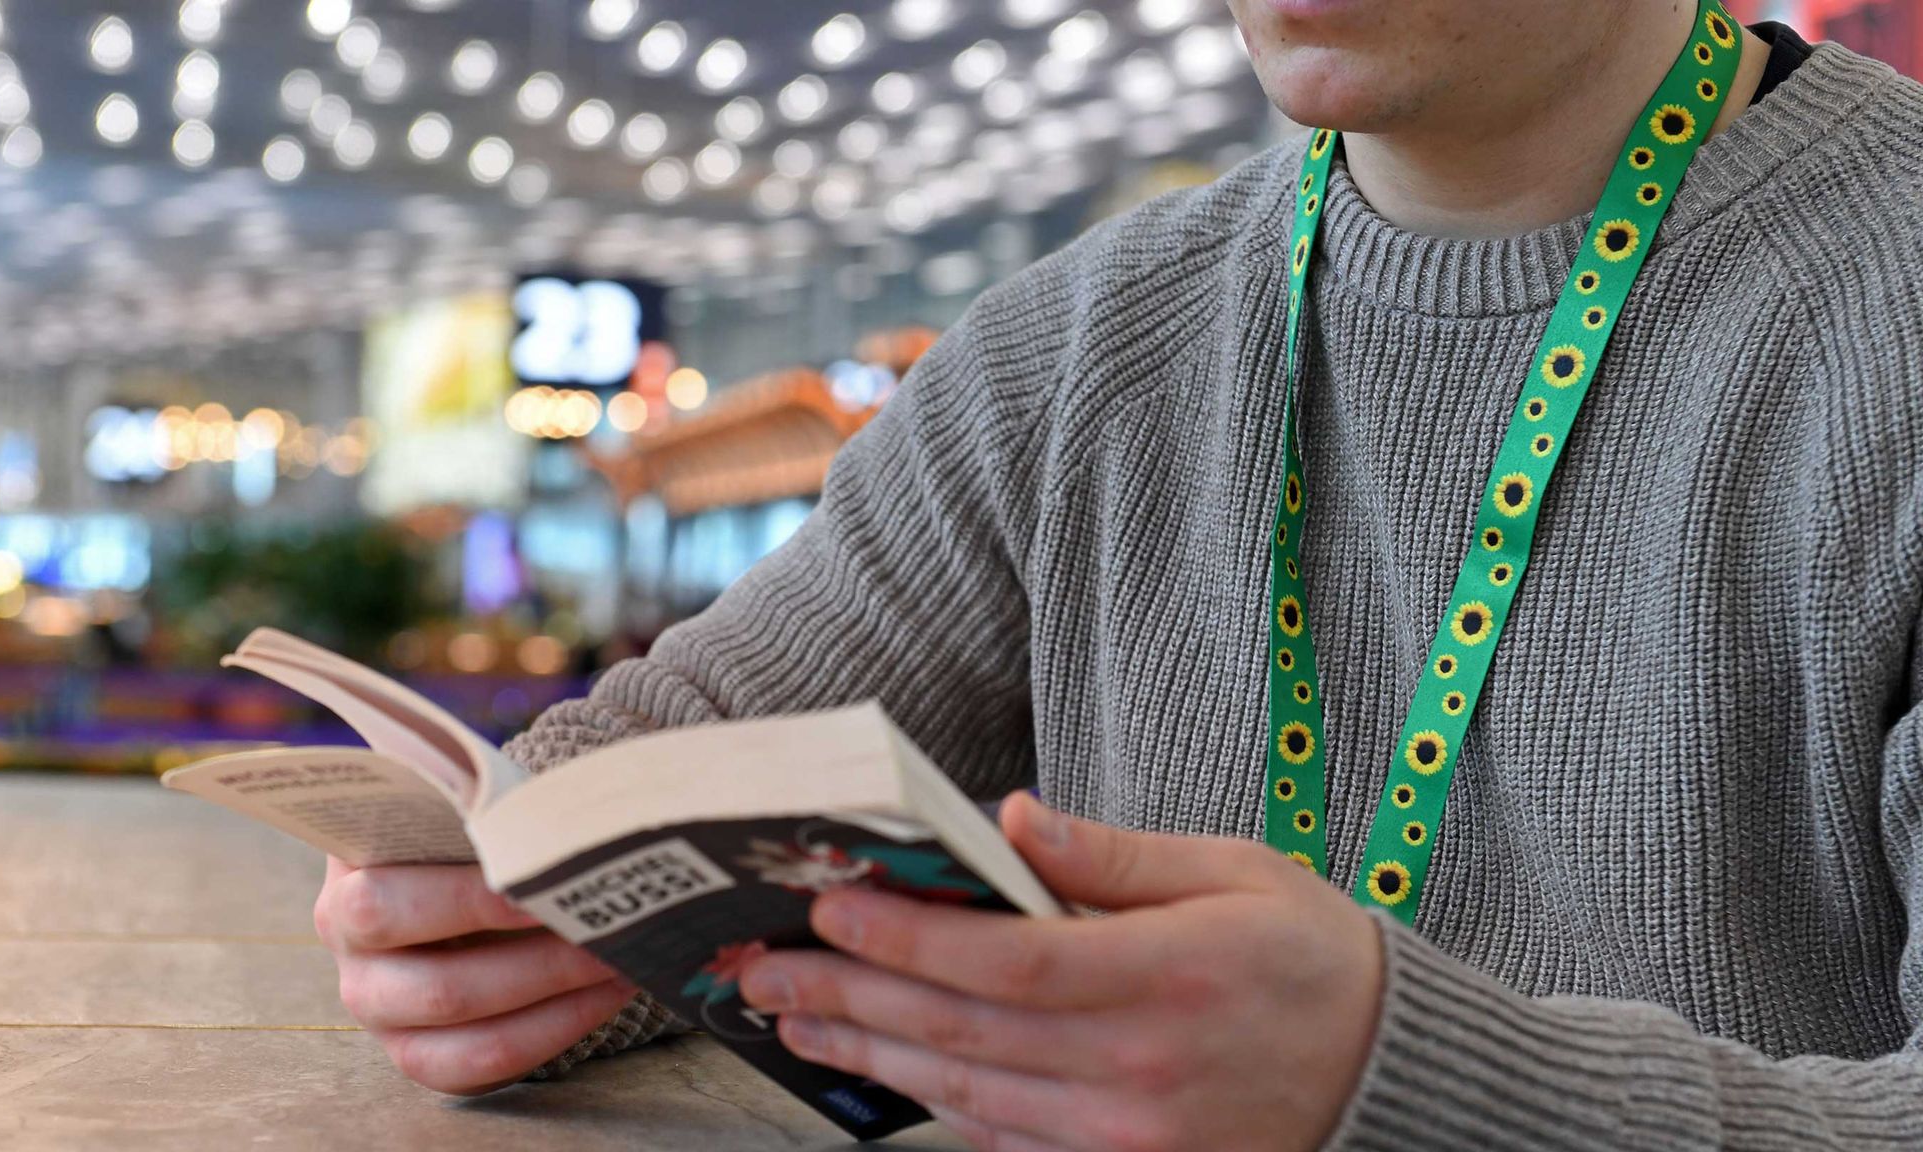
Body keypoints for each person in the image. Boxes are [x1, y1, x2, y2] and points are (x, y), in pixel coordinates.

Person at [313, 0, 1923, 1147]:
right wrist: (521, 918)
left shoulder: (1887, 302)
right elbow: (698, 741)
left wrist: (1419, 1082)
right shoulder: (1076, 348)